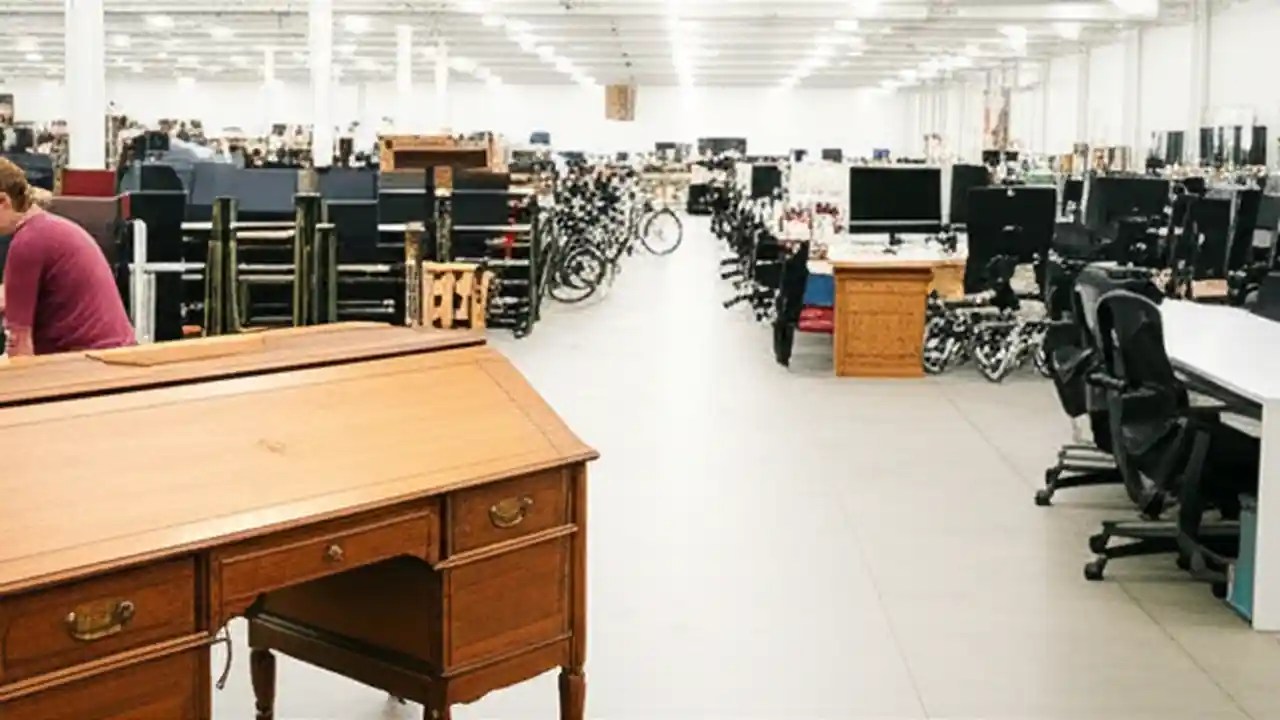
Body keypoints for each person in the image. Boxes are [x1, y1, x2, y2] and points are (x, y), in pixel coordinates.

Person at [0, 157, 135, 356]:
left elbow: (19, 346)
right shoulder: (49, 228)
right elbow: (13, 294)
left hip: (86, 367)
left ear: (3, 201)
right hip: (114, 356)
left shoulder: (27, 243)